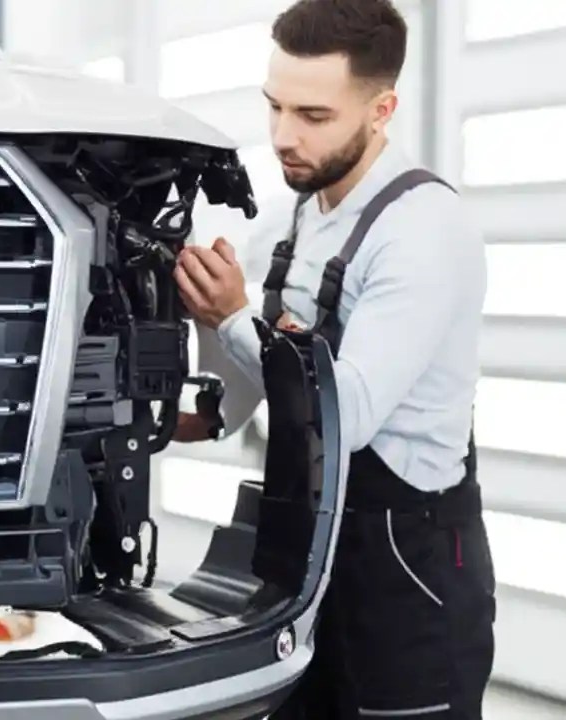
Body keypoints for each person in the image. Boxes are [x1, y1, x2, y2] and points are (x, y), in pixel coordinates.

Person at [172, 0, 497, 718]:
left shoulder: (421, 230)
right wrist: (193, 414)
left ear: (381, 110)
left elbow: (343, 414)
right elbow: (260, 373)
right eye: (275, 107)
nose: (285, 136)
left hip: (406, 570)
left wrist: (230, 318)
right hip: (305, 562)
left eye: (313, 116)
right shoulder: (300, 208)